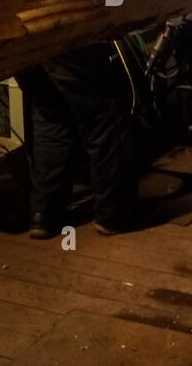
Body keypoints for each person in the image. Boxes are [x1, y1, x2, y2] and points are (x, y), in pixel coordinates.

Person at [19, 43, 137, 239]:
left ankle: (44, 215)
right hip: (62, 34)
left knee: (51, 119)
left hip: (19, 44)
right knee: (105, 116)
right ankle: (113, 214)